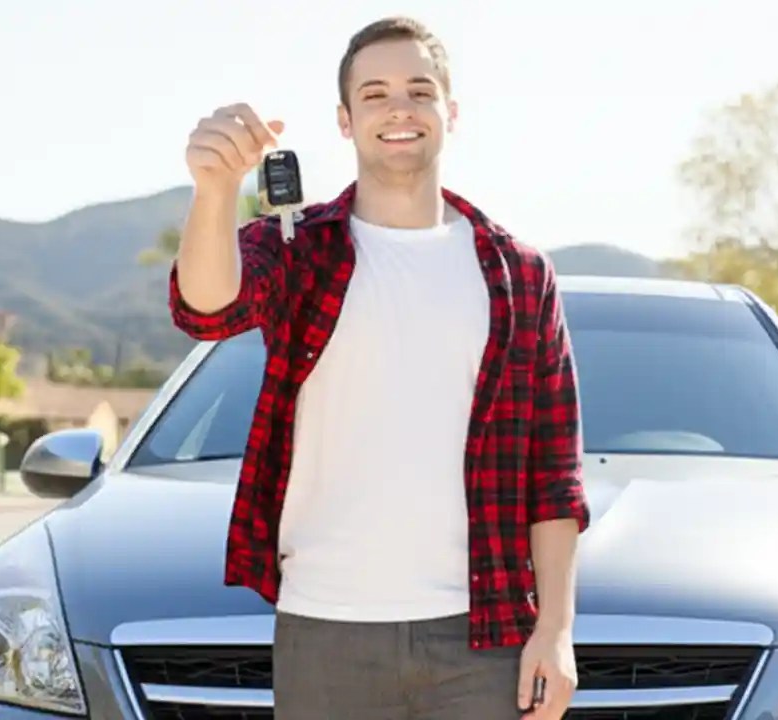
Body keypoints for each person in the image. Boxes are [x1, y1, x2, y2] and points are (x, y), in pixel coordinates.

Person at [168, 15, 590, 720]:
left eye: (419, 91)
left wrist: (558, 628)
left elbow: (554, 471)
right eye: (374, 94)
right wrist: (213, 189)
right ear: (345, 119)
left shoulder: (518, 273)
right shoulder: (303, 250)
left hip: (483, 636)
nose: (399, 107)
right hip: (326, 625)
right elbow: (207, 307)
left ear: (449, 113)